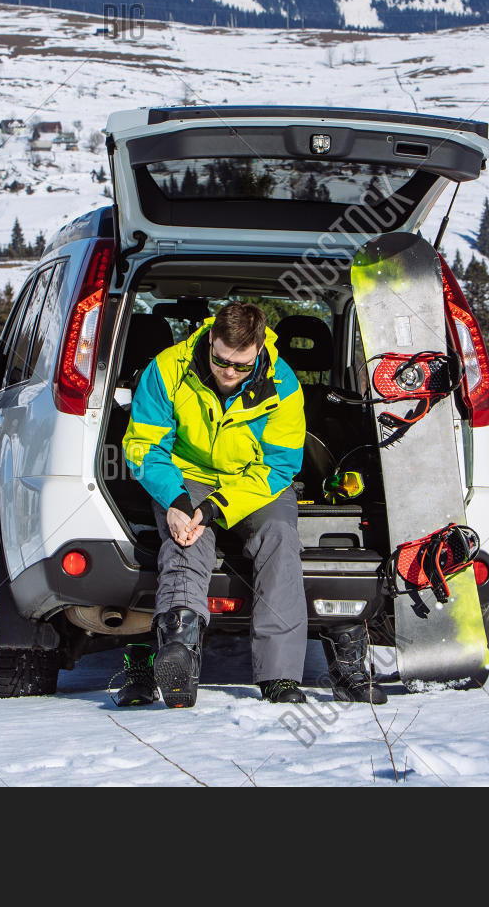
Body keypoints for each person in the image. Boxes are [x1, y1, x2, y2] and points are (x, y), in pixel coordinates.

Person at [119, 301, 309, 707]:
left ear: (258, 349)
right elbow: (143, 445)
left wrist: (216, 508)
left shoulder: (284, 384)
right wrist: (178, 500)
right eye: (221, 360)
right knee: (186, 538)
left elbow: (279, 467)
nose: (228, 372)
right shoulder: (168, 368)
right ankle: (179, 651)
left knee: (279, 535)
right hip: (186, 475)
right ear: (209, 340)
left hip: (256, 481)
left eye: (241, 365)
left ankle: (280, 676)